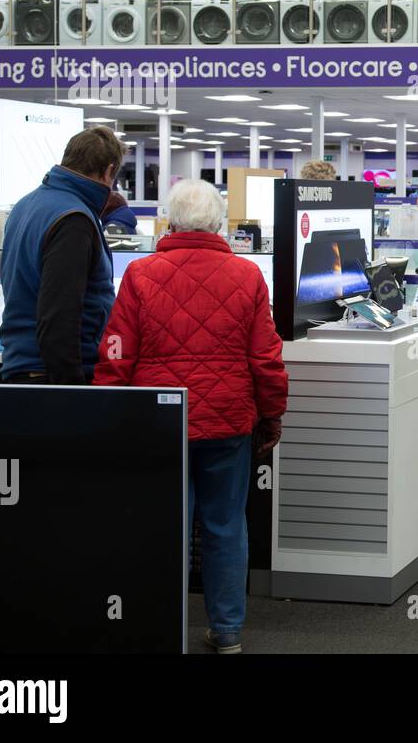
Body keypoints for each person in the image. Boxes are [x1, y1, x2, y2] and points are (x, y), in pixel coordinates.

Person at [94, 179, 288, 655]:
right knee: (225, 525)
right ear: (219, 223)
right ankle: (226, 632)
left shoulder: (140, 274)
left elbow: (116, 352)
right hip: (227, 420)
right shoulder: (246, 276)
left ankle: (163, 626)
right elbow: (266, 358)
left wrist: (107, 411)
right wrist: (272, 414)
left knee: (167, 527)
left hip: (161, 423)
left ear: (170, 223)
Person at [0, 126, 125, 384]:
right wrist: (71, 392)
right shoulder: (73, 220)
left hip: (25, 365)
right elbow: (59, 316)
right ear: (109, 171)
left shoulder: (27, 204)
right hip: (50, 375)